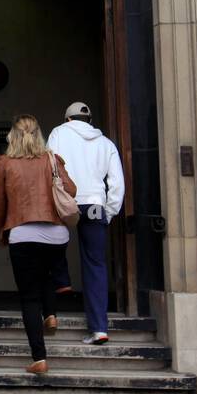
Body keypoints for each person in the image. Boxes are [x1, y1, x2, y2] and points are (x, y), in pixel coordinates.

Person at [0, 114, 77, 374]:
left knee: (29, 297)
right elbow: (71, 190)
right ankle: (50, 314)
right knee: (47, 274)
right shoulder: (51, 159)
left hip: (22, 234)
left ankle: (39, 358)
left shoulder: (4, 163)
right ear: (39, 134)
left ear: (12, 136)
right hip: (56, 234)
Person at [46, 101, 125, 346]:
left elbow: (49, 168)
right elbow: (117, 184)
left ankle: (51, 309)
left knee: (49, 251)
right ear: (89, 121)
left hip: (64, 202)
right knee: (95, 264)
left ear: (68, 119)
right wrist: (108, 212)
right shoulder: (106, 143)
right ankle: (99, 328)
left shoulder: (58, 133)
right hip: (94, 205)